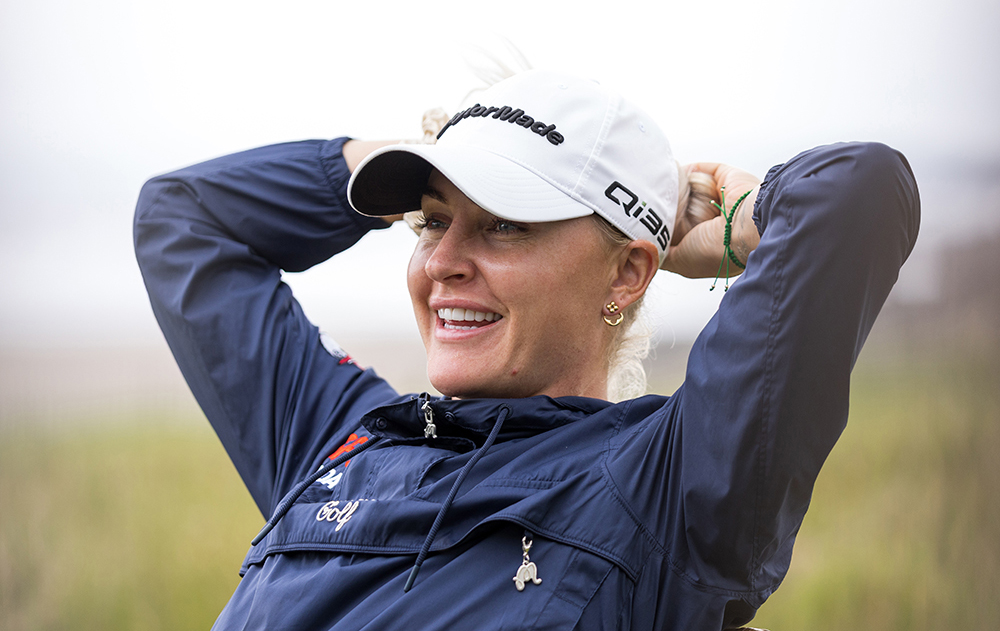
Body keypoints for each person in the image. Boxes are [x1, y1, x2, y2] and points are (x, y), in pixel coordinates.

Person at [134, 69, 920, 630]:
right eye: (432, 219)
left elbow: (858, 192)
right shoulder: (343, 440)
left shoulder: (668, 487)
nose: (442, 263)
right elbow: (182, 221)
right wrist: (439, 145)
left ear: (628, 272)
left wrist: (739, 220)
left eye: (504, 223)